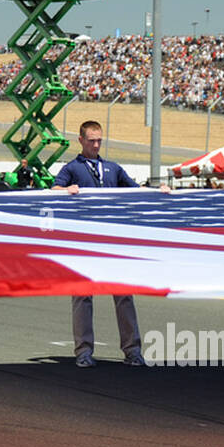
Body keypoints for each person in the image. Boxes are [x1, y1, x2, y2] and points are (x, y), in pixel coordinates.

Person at [53, 120, 147, 367]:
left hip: (112, 242)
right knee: (83, 297)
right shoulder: (72, 168)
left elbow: (136, 191)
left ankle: (133, 350)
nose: (96, 145)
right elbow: (53, 189)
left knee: (124, 295)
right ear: (81, 140)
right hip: (83, 242)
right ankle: (83, 351)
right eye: (91, 140)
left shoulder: (113, 169)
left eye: (99, 141)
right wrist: (65, 191)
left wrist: (160, 191)